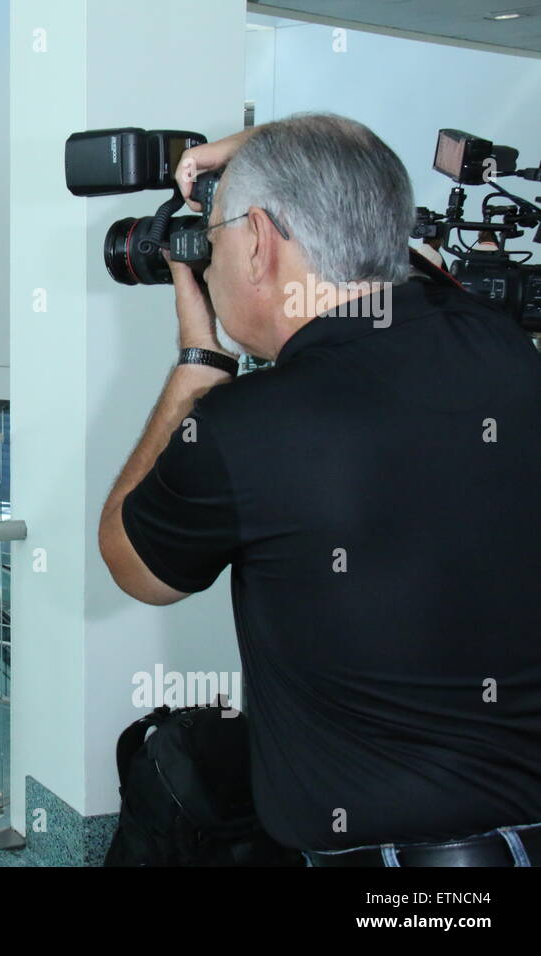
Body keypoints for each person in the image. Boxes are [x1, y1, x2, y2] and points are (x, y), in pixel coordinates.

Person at [97, 113, 541, 866]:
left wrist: (197, 366)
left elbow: (133, 565)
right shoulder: (492, 339)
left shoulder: (243, 427)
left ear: (261, 241)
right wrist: (234, 165)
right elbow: (360, 194)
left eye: (217, 238)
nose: (208, 262)